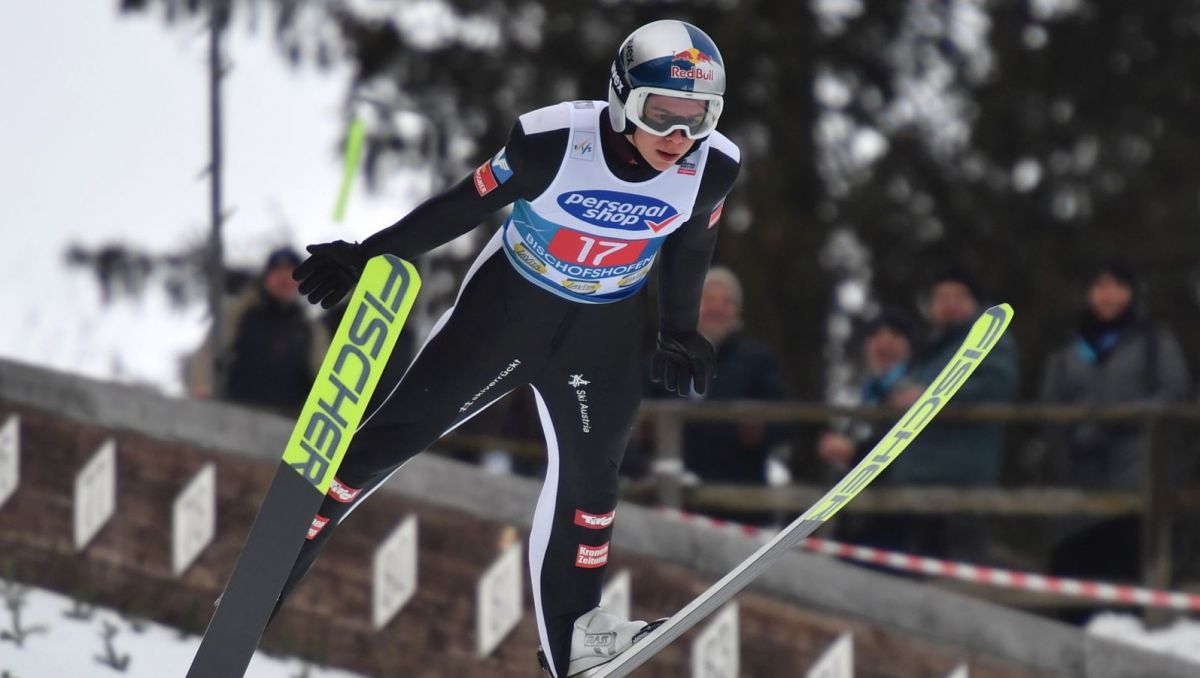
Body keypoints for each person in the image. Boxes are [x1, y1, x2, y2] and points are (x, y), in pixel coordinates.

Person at [274, 21, 740, 678]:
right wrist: (368, 254)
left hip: (601, 335)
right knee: (392, 440)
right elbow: (461, 206)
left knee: (593, 482)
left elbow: (693, 246)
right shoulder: (555, 142)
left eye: (697, 119)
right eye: (660, 114)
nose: (678, 137)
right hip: (509, 314)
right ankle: (275, 568)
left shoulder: (711, 168)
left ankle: (573, 641)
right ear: (621, 97)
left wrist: (679, 329)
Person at [1040, 261, 1190, 599]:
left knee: (1128, 583)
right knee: (1076, 584)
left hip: (1136, 483)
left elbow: (1173, 393)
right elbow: (1051, 409)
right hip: (1078, 488)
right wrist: (1072, 439)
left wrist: (1120, 423)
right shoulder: (1067, 352)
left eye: (1116, 286)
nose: (1108, 295)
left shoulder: (1154, 342)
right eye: (1100, 286)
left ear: (1132, 293)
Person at [884, 268, 1018, 561]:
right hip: (919, 479)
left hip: (960, 479)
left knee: (961, 570)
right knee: (919, 569)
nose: (949, 304)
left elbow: (995, 385)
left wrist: (930, 396)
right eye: (941, 297)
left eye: (958, 296)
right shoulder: (932, 349)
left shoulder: (988, 340)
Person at [642, 266, 789, 524]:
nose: (716, 309)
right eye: (707, 299)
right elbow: (629, 418)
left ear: (737, 313)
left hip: (738, 508)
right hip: (669, 508)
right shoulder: (662, 362)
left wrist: (761, 430)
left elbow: (786, 422)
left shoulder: (758, 362)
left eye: (726, 302)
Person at [184, 247, 330, 416]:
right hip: (236, 413)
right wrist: (201, 385)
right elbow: (208, 353)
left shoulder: (309, 328)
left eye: (292, 276)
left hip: (287, 421)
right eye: (279, 274)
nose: (286, 281)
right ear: (267, 277)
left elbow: (322, 370)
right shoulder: (240, 312)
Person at [816, 307, 917, 472]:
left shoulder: (915, 387)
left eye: (895, 336)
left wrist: (854, 454)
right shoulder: (861, 393)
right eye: (875, 336)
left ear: (909, 345)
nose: (884, 343)